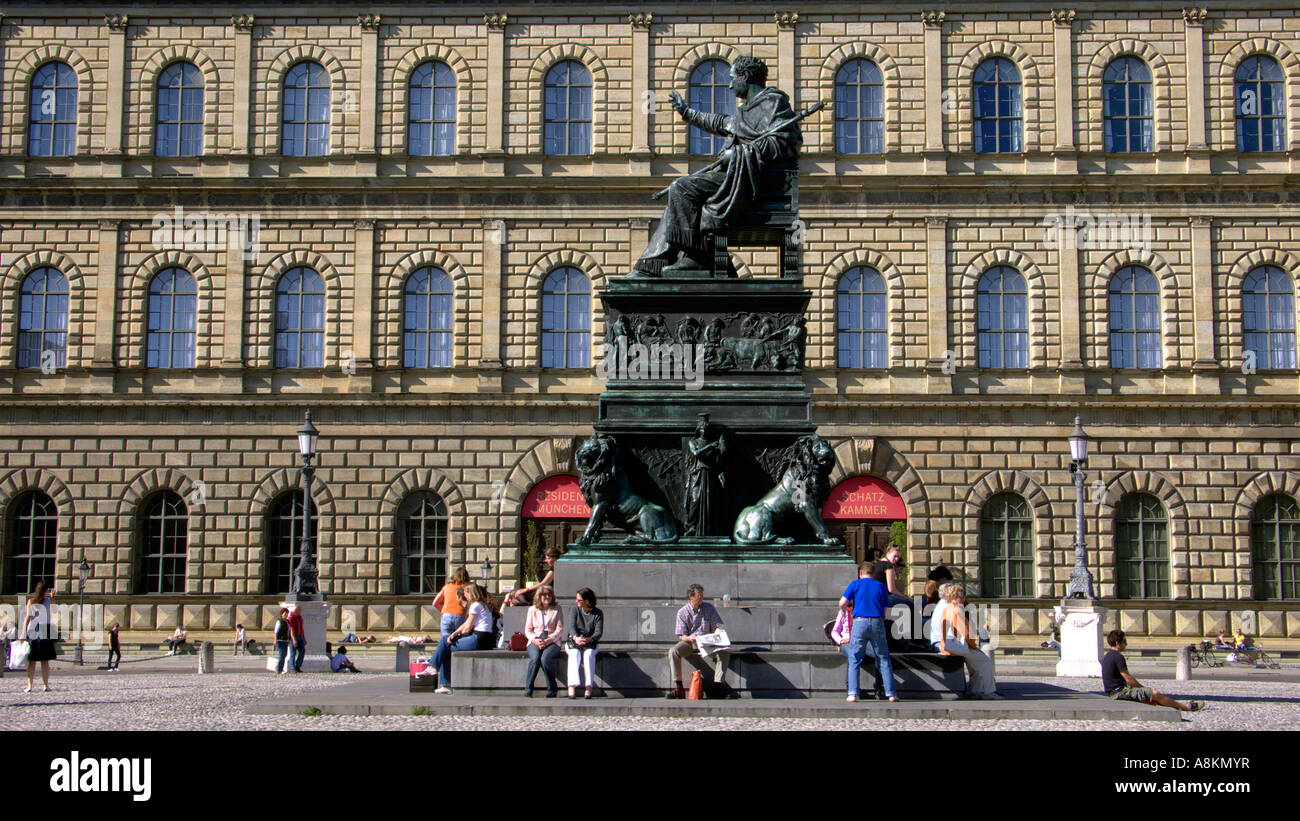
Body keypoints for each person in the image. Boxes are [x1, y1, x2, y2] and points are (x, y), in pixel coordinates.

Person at [633, 56, 801, 276]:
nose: (730, 86)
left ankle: (695, 257)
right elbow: (722, 123)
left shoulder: (773, 103)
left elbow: (785, 143)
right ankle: (652, 264)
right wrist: (687, 113)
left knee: (682, 188)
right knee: (679, 195)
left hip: (755, 181)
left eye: (732, 79)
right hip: (738, 176)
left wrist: (738, 154)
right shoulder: (746, 110)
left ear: (746, 76)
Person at [419, 583, 495, 694]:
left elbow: (467, 628)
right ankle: (439, 677)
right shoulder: (482, 605)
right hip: (485, 639)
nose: (465, 596)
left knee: (446, 646)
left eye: (465, 594)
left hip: (479, 639)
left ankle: (436, 671)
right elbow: (465, 625)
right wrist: (454, 634)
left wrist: (456, 636)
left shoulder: (475, 606)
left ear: (470, 593)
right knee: (446, 643)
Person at [1103, 629, 1204, 713]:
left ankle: (1175, 706)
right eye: (1124, 641)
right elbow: (1128, 678)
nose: (1126, 644)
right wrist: (1143, 688)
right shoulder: (1118, 657)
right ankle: (1186, 707)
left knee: (1152, 695)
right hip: (1119, 692)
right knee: (1154, 693)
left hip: (1114, 691)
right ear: (1117, 643)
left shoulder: (1107, 656)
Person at [839, 562, 897, 703]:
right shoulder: (880, 586)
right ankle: (891, 694)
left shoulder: (855, 584)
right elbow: (885, 607)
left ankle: (853, 693)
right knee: (883, 657)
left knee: (854, 658)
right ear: (873, 573)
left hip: (859, 621)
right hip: (877, 621)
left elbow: (842, 602)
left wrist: (843, 611)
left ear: (861, 573)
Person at [929, 584, 999, 699]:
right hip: (958, 646)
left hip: (947, 645)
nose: (963, 599)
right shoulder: (957, 610)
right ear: (953, 597)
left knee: (974, 662)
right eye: (960, 597)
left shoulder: (948, 608)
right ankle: (988, 691)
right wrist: (973, 645)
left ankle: (977, 690)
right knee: (984, 661)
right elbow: (965, 633)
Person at [666, 584, 732, 699]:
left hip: (707, 641)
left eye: (702, 595)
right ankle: (679, 688)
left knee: (724, 653)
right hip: (690, 642)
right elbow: (682, 636)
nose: (701, 597)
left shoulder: (709, 608)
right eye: (698, 595)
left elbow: (715, 625)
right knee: (673, 651)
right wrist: (689, 638)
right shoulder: (682, 612)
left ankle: (718, 686)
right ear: (691, 597)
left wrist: (718, 630)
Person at [523, 586, 564, 697]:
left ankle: (552, 688)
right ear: (539, 596)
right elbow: (528, 629)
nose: (547, 597)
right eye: (544, 594)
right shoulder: (532, 609)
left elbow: (559, 628)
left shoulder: (557, 608)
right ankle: (528, 688)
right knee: (535, 658)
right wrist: (535, 640)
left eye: (549, 594)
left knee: (545, 659)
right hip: (536, 638)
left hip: (552, 639)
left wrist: (549, 640)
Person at [566, 587, 603, 699]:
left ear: (587, 601)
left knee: (588, 655)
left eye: (579, 600)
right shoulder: (575, 610)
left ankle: (588, 687)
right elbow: (571, 626)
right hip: (574, 641)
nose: (576, 602)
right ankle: (571, 686)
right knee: (574, 654)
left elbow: (598, 632)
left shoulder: (598, 613)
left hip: (590, 643)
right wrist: (576, 637)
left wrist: (589, 639)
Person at [21, 581, 57, 693]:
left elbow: (54, 610)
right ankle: (33, 685)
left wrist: (52, 597)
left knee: (42, 660)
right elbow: (27, 618)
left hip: (43, 630)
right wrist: (23, 633)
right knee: (35, 660)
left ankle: (42, 685)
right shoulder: (32, 602)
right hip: (36, 630)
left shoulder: (47, 600)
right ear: (44, 590)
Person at [433, 567, 472, 637]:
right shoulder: (467, 588)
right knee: (459, 641)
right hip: (461, 615)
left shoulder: (447, 586)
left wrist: (443, 611)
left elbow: (435, 603)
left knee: (445, 640)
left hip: (446, 615)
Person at [871, 546, 912, 612]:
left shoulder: (876, 564)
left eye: (898, 557)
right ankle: (916, 622)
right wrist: (905, 597)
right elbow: (891, 589)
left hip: (873, 596)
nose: (896, 559)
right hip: (883, 597)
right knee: (910, 604)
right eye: (895, 556)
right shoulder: (888, 566)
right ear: (888, 553)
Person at [273, 607, 293, 674]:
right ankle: (279, 669)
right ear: (281, 614)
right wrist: (275, 640)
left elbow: (289, 631)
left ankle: (281, 668)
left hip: (285, 640)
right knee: (282, 654)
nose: (286, 615)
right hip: (280, 640)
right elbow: (276, 631)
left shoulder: (287, 622)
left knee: (284, 655)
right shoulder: (279, 621)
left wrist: (289, 639)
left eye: (287, 614)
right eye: (285, 614)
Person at [288, 605, 306, 673]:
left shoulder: (300, 618)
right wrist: (293, 639)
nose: (300, 611)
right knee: (293, 653)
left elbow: (302, 629)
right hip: (294, 637)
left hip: (300, 636)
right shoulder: (291, 618)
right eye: (299, 610)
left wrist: (304, 638)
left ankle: (297, 666)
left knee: (302, 651)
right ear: (295, 610)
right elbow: (291, 629)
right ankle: (292, 668)